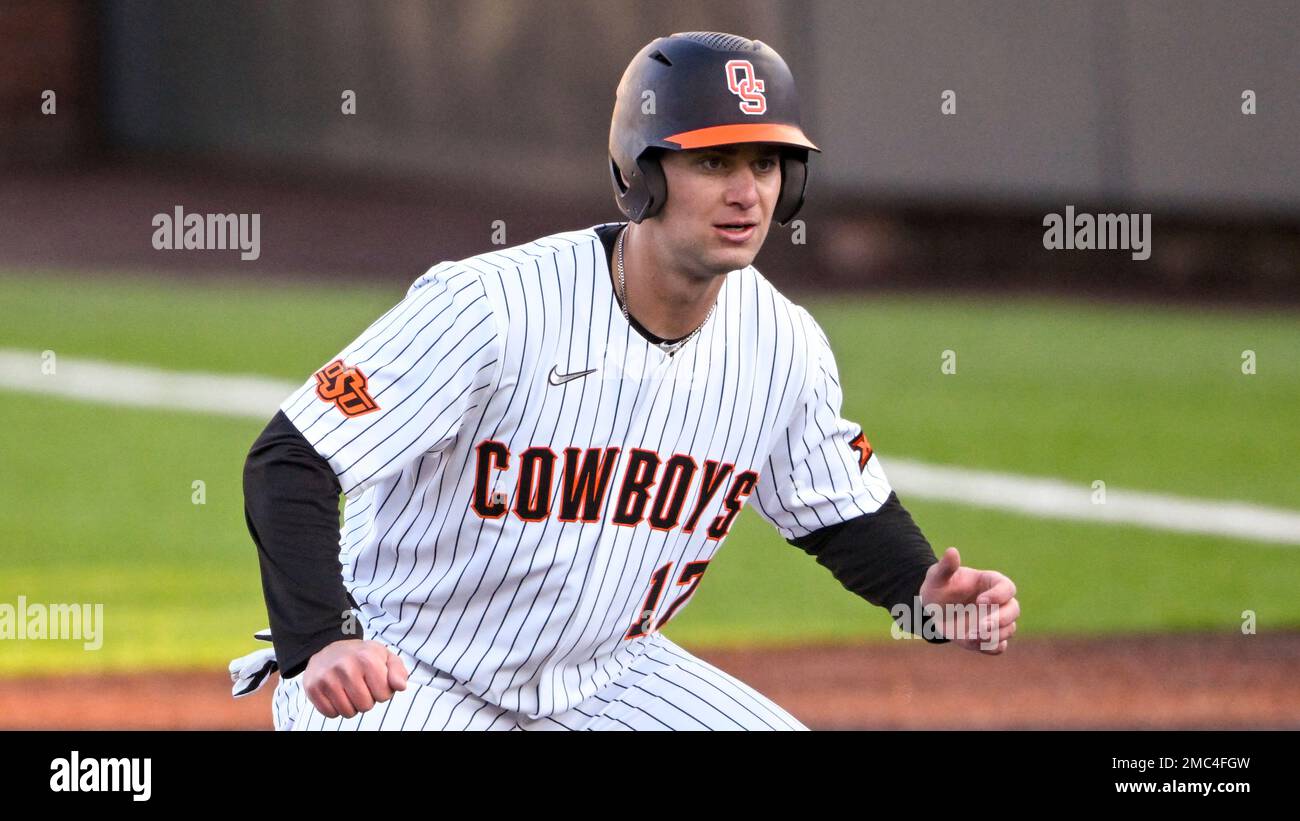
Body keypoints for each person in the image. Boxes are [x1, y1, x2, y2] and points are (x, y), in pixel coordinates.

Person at [236, 31, 1019, 731]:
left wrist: (921, 592)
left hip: (602, 676)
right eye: (713, 162)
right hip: (403, 665)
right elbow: (290, 458)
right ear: (641, 172)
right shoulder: (492, 307)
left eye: (766, 163)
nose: (747, 192)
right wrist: (324, 638)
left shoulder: (784, 343)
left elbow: (837, 512)